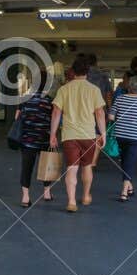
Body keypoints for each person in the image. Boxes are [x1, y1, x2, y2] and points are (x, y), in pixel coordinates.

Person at [48, 56, 106, 213]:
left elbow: (56, 113)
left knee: (72, 169)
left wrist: (53, 134)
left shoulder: (64, 89)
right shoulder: (94, 90)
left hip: (69, 136)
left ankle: (72, 201)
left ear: (73, 71)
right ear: (87, 71)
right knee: (87, 167)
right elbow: (100, 113)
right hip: (88, 135)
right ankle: (86, 196)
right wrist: (103, 133)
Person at [10, 77, 57, 208]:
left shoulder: (24, 99)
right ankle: (47, 193)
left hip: (27, 140)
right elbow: (54, 119)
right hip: (44, 139)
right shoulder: (50, 100)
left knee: (27, 168)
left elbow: (17, 118)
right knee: (46, 165)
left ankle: (25, 197)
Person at [109, 72, 137, 202]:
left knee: (125, 160)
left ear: (129, 87)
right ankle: (124, 192)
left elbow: (111, 117)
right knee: (131, 161)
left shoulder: (120, 99)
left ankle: (130, 187)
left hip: (120, 134)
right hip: (135, 136)